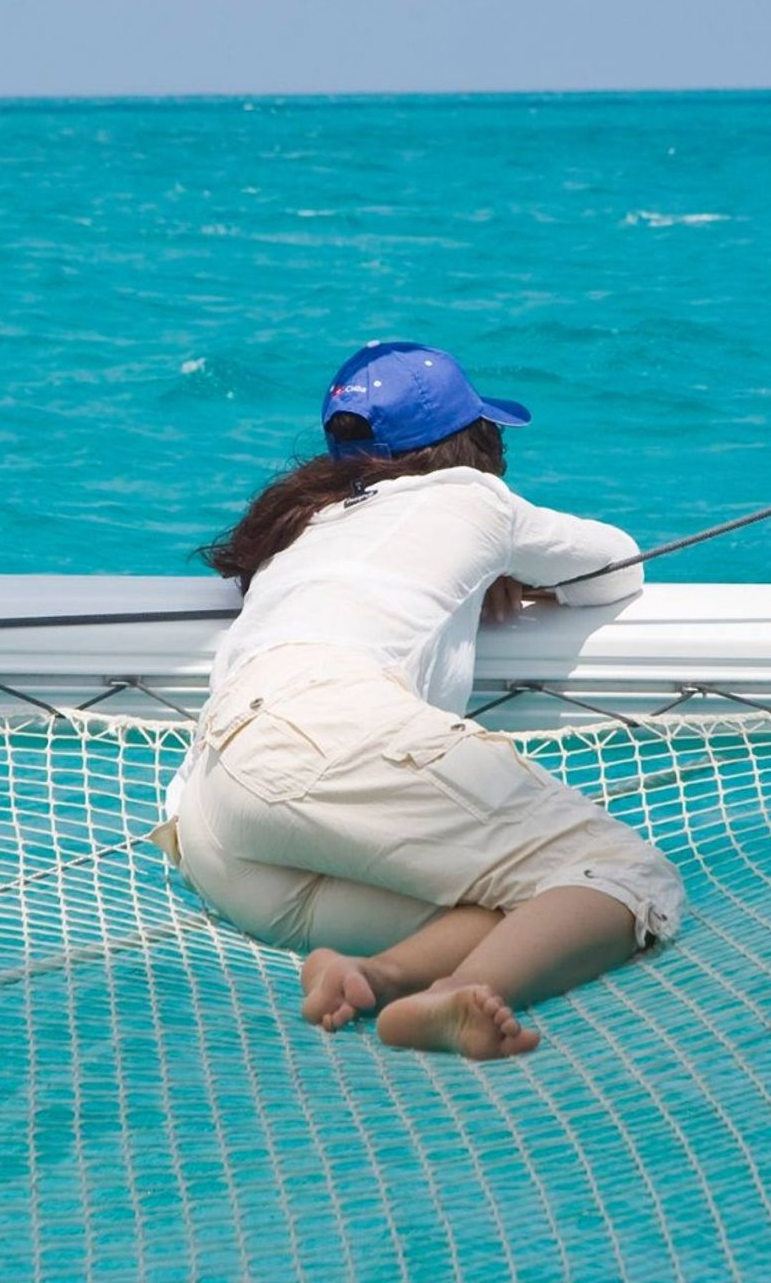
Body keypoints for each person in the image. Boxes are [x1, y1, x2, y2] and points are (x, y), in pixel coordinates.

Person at [162, 341, 684, 1061]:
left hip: (213, 820)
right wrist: (510, 562)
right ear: (473, 441)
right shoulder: (470, 495)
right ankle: (448, 1000)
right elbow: (614, 566)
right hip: (323, 734)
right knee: (626, 875)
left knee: (518, 911)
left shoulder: (301, 524)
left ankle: (372, 976)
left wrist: (482, 571)